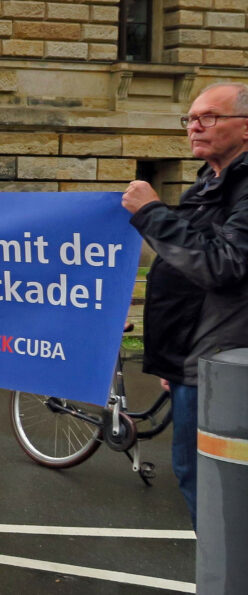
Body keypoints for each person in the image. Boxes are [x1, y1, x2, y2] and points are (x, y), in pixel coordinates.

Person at [122, 82, 248, 527]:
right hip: (196, 358)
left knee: (212, 483)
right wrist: (175, 359)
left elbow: (222, 266)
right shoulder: (209, 181)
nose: (194, 127)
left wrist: (151, 212)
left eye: (208, 117)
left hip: (223, 364)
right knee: (197, 476)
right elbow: (188, 274)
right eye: (190, 119)